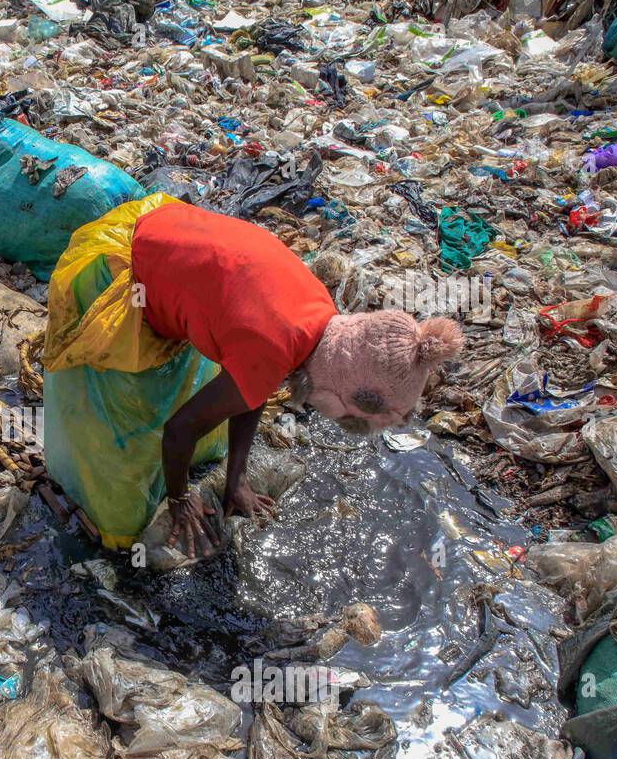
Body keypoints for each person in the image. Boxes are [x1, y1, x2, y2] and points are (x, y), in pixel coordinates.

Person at [41, 194, 464, 556]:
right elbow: (178, 430)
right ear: (346, 391)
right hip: (119, 264)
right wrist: (179, 499)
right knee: (115, 439)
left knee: (189, 394)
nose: (332, 417)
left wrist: (236, 479)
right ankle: (89, 492)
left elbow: (253, 388)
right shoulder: (277, 347)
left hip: (165, 222)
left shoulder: (317, 316)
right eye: (345, 415)